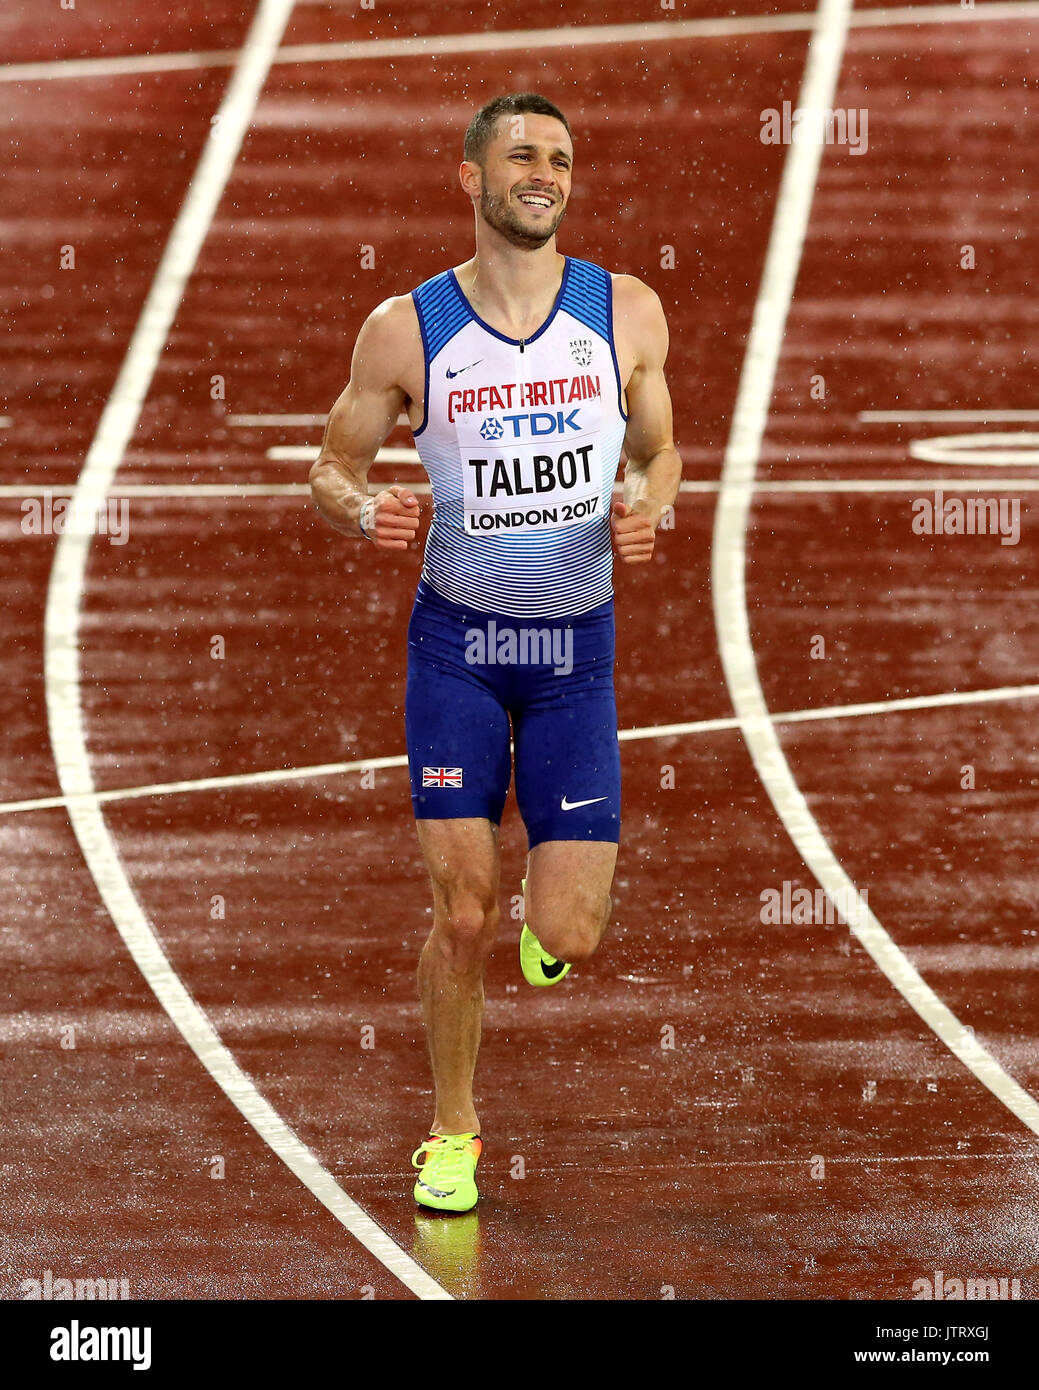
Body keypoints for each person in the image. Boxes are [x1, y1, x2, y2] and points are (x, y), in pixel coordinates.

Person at [309, 92, 681, 1213]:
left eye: (560, 158)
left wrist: (648, 506)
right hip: (458, 651)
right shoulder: (405, 329)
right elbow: (332, 463)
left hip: (574, 654)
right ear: (469, 178)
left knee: (565, 927)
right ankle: (452, 1130)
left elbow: (661, 454)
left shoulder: (623, 312)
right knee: (463, 912)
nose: (544, 173)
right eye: (521, 155)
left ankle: (549, 936)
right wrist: (352, 508)